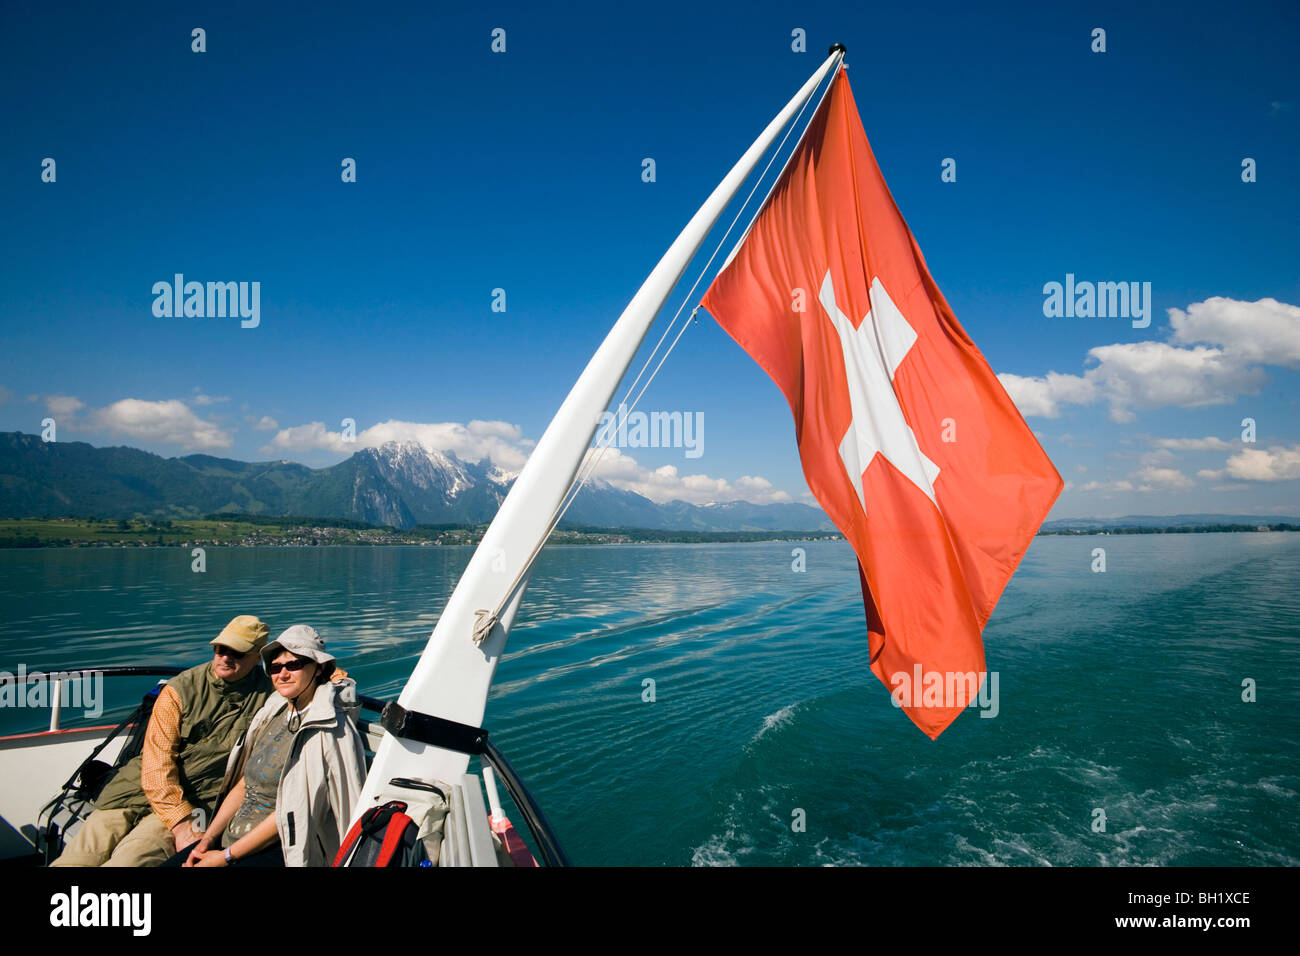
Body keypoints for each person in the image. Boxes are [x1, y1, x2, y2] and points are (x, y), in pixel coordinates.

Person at [50, 615, 274, 867]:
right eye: (221, 649)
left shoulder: (271, 694)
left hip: (194, 800)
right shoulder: (180, 690)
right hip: (130, 791)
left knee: (130, 861)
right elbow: (157, 764)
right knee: (77, 859)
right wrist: (182, 825)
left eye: (237, 652)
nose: (225, 657)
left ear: (258, 657)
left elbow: (310, 682)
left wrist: (325, 676)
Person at [178, 624, 367, 867]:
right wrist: (208, 839)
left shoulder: (328, 731)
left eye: (294, 665)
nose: (283, 674)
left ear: (318, 669)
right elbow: (245, 784)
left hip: (284, 847)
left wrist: (224, 858)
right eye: (276, 667)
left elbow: (292, 813)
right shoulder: (272, 712)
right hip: (231, 840)